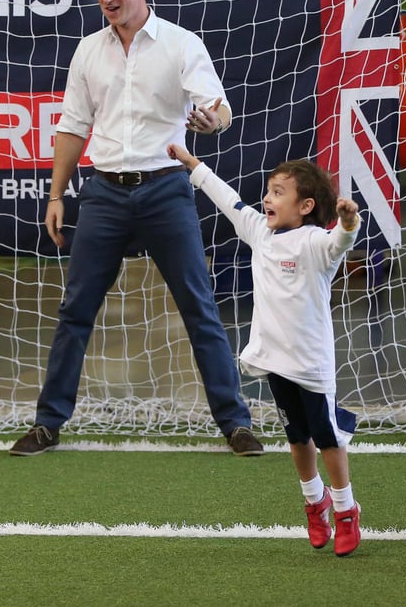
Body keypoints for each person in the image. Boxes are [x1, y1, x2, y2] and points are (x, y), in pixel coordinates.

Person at [9, 0, 264, 457]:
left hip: (166, 189)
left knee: (199, 307)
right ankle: (47, 424)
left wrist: (213, 120)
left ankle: (235, 424)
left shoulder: (179, 44)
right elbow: (72, 127)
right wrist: (57, 195)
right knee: (75, 309)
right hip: (102, 192)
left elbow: (219, 108)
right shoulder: (88, 50)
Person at [166, 143, 363, 557]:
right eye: (268, 190)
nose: (267, 199)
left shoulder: (314, 243)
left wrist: (348, 223)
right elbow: (226, 198)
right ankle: (315, 503)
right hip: (275, 361)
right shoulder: (260, 232)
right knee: (296, 437)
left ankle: (346, 509)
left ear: (306, 205)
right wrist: (191, 164)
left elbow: (339, 244)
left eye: (278, 193)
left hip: (311, 365)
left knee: (327, 437)